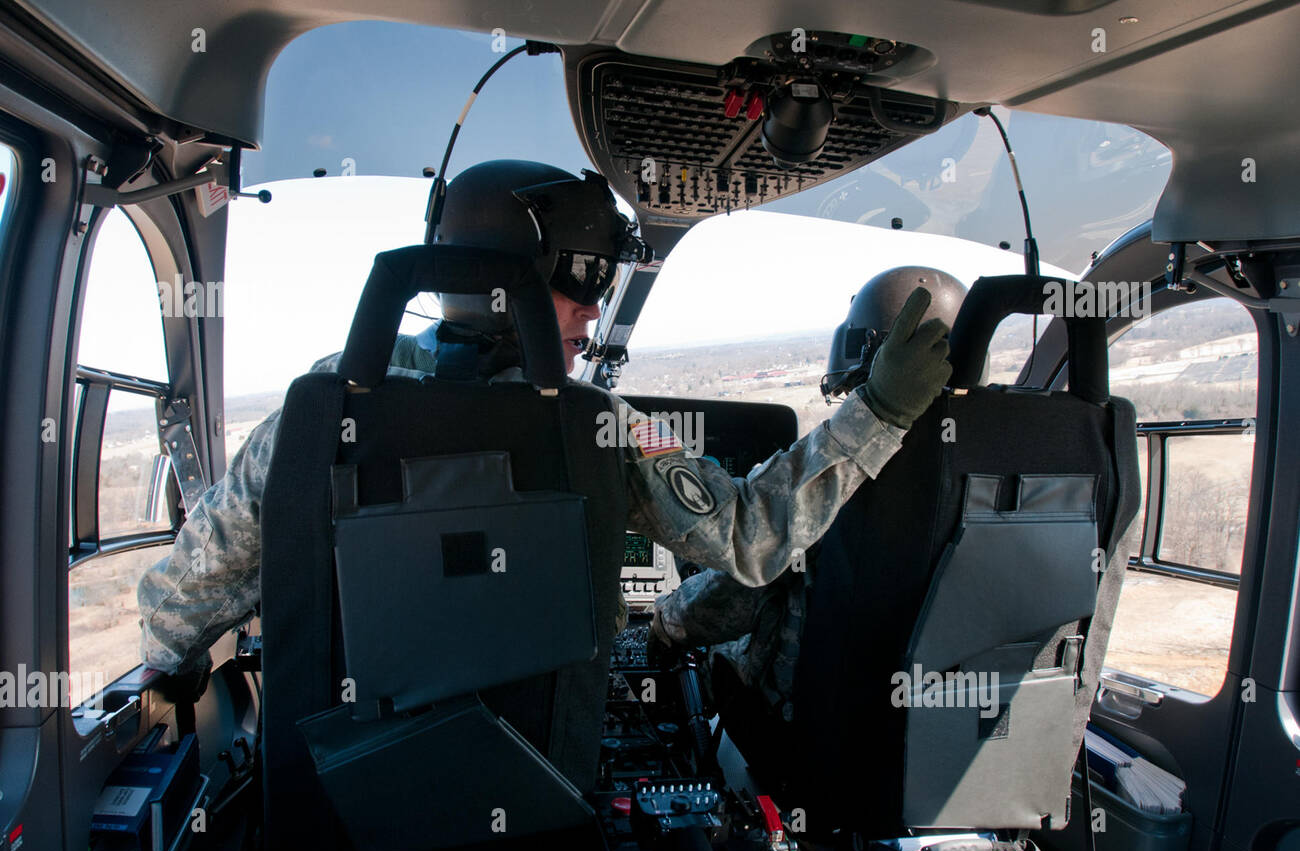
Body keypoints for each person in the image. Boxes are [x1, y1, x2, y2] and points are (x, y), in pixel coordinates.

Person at [138, 161, 953, 691]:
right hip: (535, 806)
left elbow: (178, 605)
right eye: (584, 280)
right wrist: (875, 414)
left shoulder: (314, 412)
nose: (597, 312)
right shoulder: (606, 427)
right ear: (508, 279)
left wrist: (176, 678)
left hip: (331, 811)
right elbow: (752, 537)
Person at [648, 267, 971, 784]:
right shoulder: (1048, 459)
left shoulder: (850, 480)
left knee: (706, 657)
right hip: (970, 758)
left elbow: (738, 587)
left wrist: (666, 623)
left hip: (819, 753)